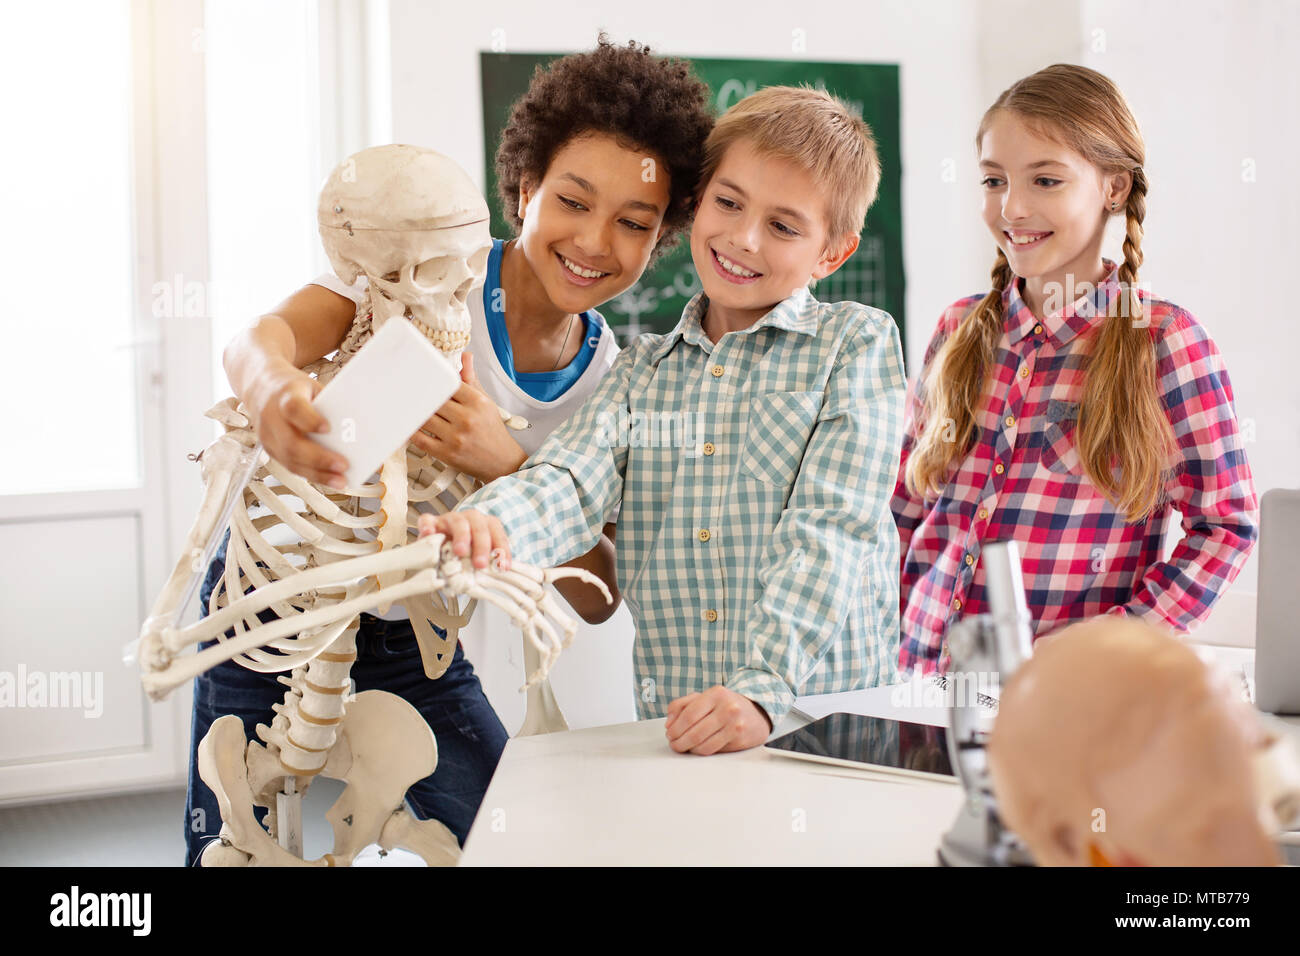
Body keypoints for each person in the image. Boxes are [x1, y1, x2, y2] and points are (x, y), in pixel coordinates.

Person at [184, 35, 714, 865]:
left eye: (634, 222)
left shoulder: (618, 382)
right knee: (225, 842)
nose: (595, 241)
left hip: (413, 636)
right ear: (526, 189)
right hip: (272, 605)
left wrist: (507, 463)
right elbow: (264, 337)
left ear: (662, 237)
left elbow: (601, 592)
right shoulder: (425, 269)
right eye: (573, 201)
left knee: (507, 838)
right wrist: (271, 391)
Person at [421, 85, 906, 756]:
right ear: (696, 201)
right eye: (728, 203)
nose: (742, 238)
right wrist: (493, 521)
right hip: (680, 728)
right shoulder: (641, 371)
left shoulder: (854, 345)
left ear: (833, 254)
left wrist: (763, 690)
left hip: (824, 725)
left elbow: (831, 532)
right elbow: (569, 480)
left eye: (783, 226)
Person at [892, 64, 1258, 675]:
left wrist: (1106, 650)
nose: (1011, 207)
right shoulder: (959, 330)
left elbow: (1224, 528)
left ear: (1114, 188)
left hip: (1068, 702)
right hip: (917, 683)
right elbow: (906, 509)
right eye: (993, 180)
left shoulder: (1163, 341)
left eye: (1046, 179)